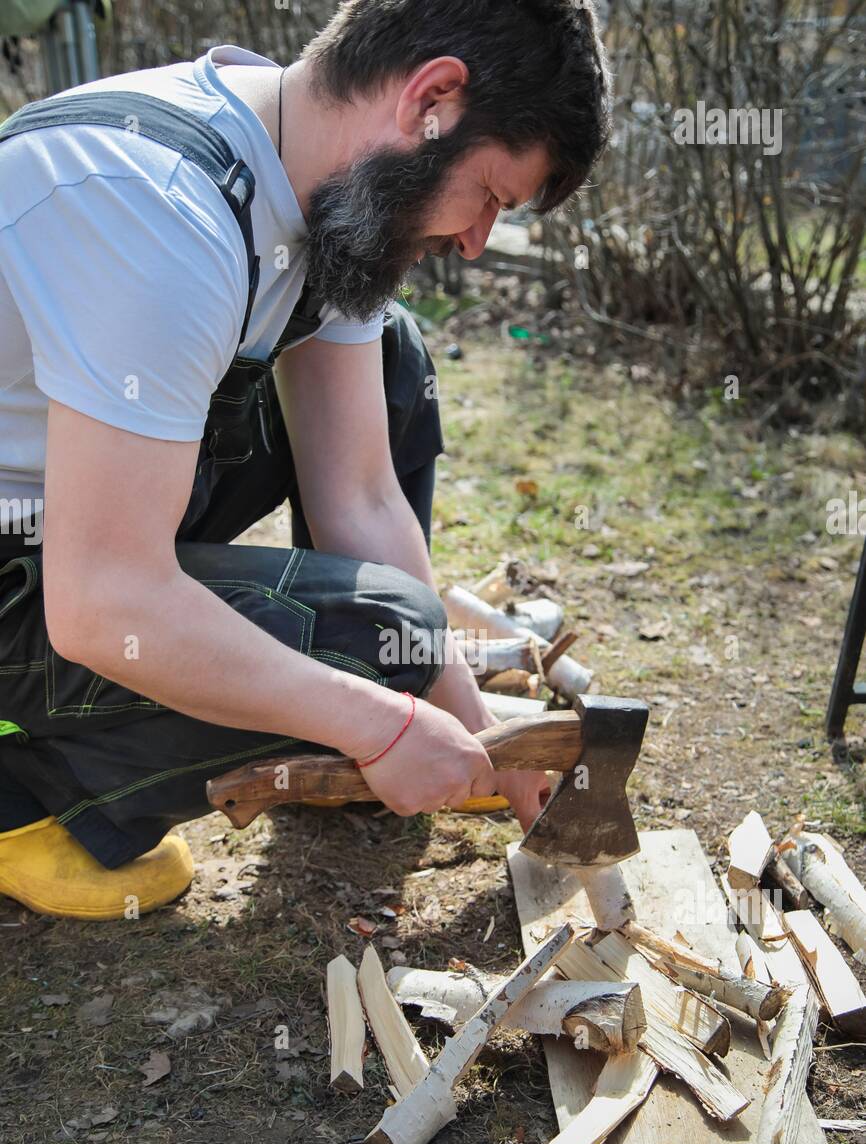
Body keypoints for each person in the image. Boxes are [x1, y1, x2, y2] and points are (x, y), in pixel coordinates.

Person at [0, 0, 610, 919]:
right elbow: (103, 604)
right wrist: (378, 716)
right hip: (48, 574)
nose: (477, 242)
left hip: (68, 514)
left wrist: (482, 740)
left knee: (393, 358)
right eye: (490, 195)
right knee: (376, 637)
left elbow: (360, 494)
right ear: (432, 100)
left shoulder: (319, 179)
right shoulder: (155, 211)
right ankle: (28, 790)